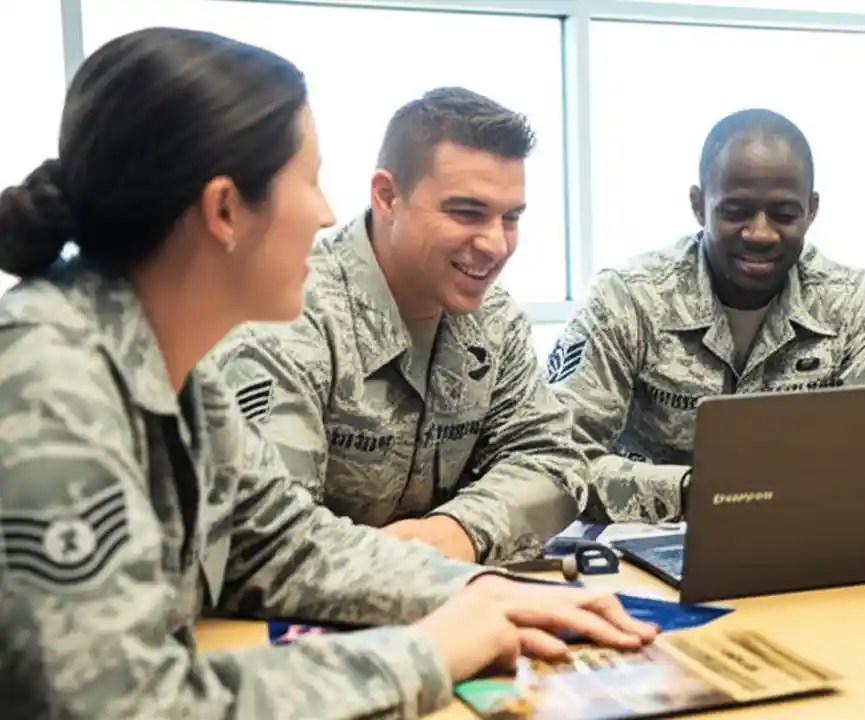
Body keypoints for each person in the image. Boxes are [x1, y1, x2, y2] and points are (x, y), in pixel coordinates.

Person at [0, 28, 654, 719]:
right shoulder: (50, 390)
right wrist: (430, 652)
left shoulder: (170, 374)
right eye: (307, 180)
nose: (327, 213)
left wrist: (479, 593)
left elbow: (287, 543)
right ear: (224, 210)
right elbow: (124, 707)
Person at [209, 87, 585, 565]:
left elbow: (555, 461)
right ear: (388, 196)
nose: (495, 244)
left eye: (511, 218)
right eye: (467, 212)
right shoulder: (287, 316)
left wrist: (459, 531)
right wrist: (407, 562)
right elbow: (266, 535)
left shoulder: (494, 321)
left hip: (443, 602)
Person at [548, 109, 865, 524]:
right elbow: (557, 461)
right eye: (736, 212)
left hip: (808, 534)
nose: (760, 233)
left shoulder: (853, 305)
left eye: (784, 214)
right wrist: (690, 492)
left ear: (812, 210)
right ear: (699, 206)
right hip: (650, 541)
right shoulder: (627, 300)